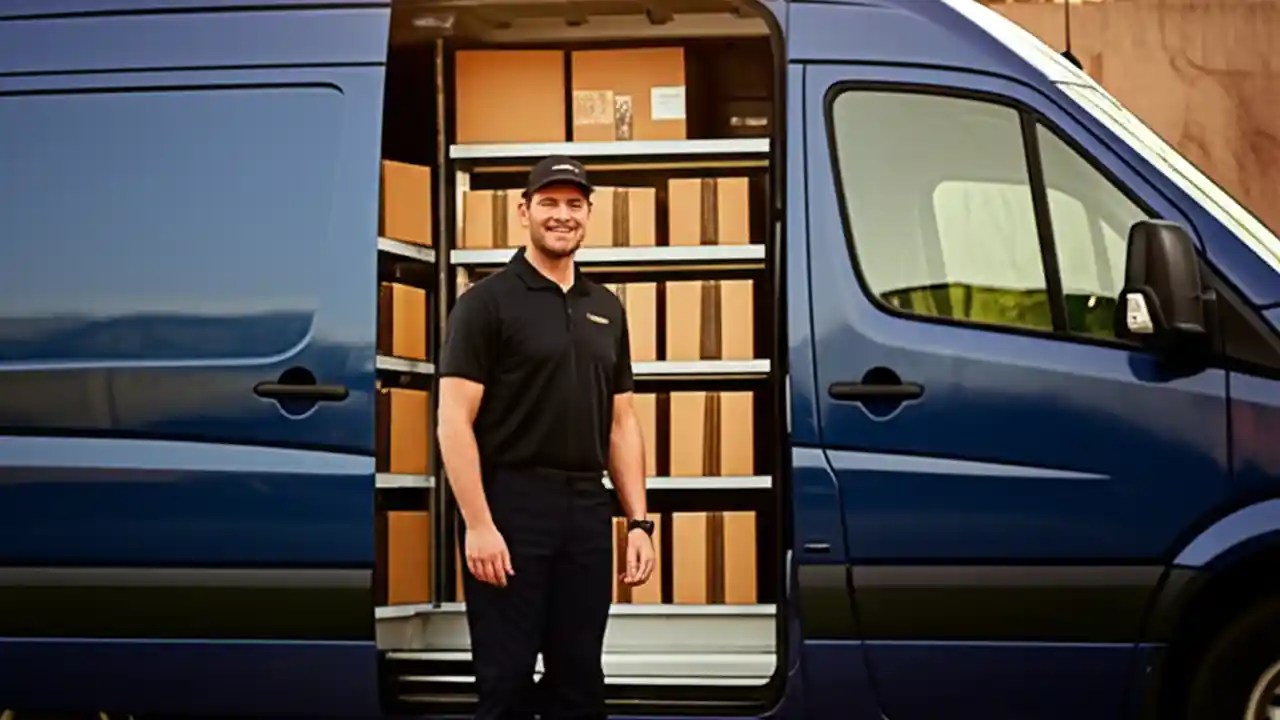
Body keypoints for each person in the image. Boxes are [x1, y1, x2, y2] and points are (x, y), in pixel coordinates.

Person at [435, 154, 656, 720]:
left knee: (580, 681)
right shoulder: (485, 304)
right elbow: (452, 420)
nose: (563, 215)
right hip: (512, 505)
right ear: (523, 210)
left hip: (585, 507)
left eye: (574, 205)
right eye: (550, 203)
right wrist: (480, 525)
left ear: (589, 214)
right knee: (505, 682)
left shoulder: (606, 308)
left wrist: (637, 522)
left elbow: (621, 423)